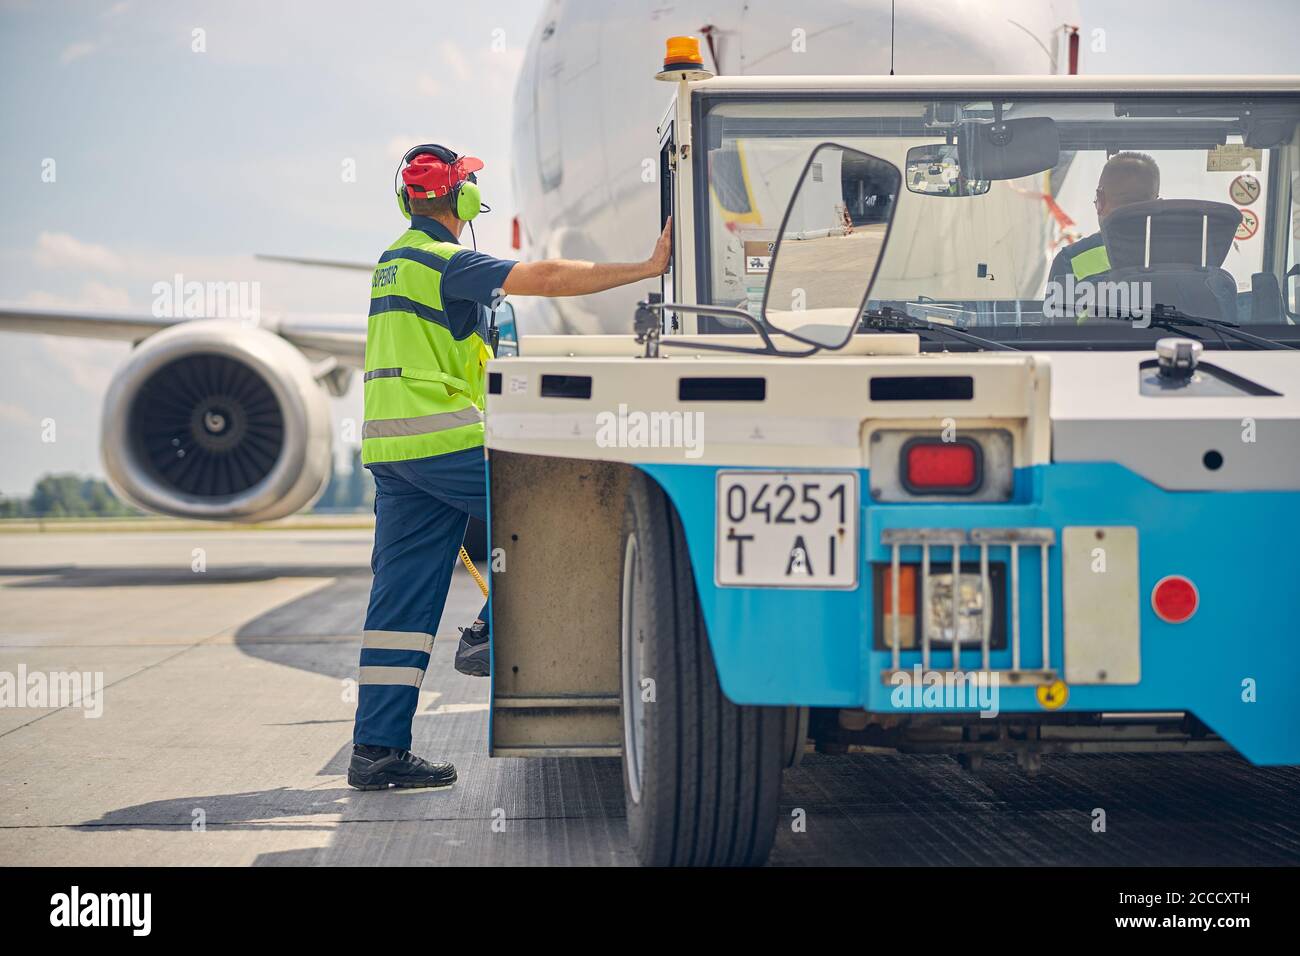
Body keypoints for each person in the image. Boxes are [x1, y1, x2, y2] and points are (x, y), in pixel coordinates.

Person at [348, 144, 672, 791]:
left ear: (405, 199)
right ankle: (487, 635)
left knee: (400, 602)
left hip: (391, 453)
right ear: (461, 200)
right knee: (546, 514)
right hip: (440, 438)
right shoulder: (445, 262)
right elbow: (546, 280)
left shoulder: (391, 263)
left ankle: (376, 752)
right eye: (471, 186)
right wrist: (647, 266)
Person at [1048, 150, 1160, 291]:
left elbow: (1058, 312)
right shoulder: (1186, 256)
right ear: (1157, 206)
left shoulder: (1070, 262)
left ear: (1100, 201)